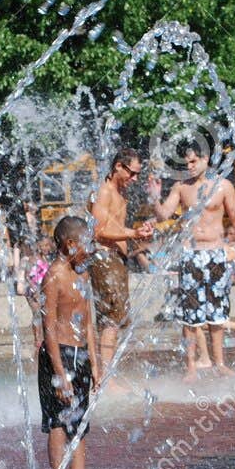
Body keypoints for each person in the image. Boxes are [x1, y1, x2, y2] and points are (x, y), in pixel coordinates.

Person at [148, 141, 235, 382]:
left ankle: (219, 363)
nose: (190, 166)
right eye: (187, 163)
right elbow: (163, 215)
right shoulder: (181, 187)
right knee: (190, 315)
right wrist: (154, 197)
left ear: (206, 160)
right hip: (191, 254)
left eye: (194, 161)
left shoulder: (223, 186)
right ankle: (191, 366)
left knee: (217, 312)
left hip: (216, 253)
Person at [40, 216, 105, 469]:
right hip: (59, 355)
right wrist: (59, 373)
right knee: (58, 422)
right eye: (86, 244)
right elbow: (49, 328)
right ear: (69, 244)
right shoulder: (53, 277)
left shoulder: (82, 275)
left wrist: (96, 364)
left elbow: (88, 323)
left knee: (79, 422)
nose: (90, 250)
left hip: (80, 356)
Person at [89, 149, 156, 384]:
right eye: (132, 173)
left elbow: (115, 227)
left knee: (114, 320)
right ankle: (105, 379)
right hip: (105, 259)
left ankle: (106, 376)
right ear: (118, 166)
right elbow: (98, 231)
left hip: (114, 260)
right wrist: (133, 233)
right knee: (110, 320)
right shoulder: (105, 191)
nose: (135, 179)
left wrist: (139, 233)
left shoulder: (118, 192)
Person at [25, 234, 56, 353]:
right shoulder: (33, 259)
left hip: (44, 290)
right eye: (43, 245)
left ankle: (45, 338)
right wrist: (34, 290)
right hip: (33, 291)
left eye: (48, 245)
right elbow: (27, 276)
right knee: (37, 313)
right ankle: (37, 339)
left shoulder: (48, 259)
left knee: (45, 314)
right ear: (38, 246)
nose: (46, 248)